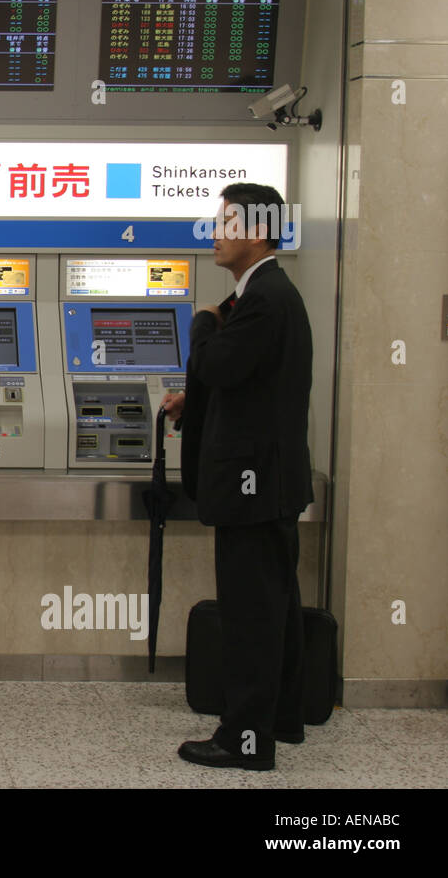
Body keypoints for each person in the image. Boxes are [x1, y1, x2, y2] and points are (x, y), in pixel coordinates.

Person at [163, 183, 313, 771]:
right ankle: (281, 720)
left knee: (252, 616)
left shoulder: (264, 298)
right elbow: (248, 388)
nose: (214, 232)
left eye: (225, 222)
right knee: (274, 606)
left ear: (256, 231)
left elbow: (219, 365)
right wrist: (191, 405)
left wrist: (201, 323)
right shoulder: (270, 295)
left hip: (254, 487)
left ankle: (244, 743)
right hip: (268, 484)